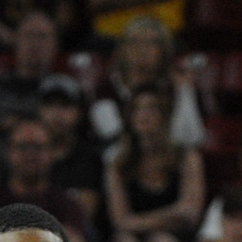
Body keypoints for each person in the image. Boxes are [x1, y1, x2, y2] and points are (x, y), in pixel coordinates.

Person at [101, 84, 204, 242]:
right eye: (137, 109)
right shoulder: (118, 163)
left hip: (176, 236)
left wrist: (137, 221)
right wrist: (171, 214)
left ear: (165, 115)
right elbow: (119, 221)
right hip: (131, 236)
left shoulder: (186, 158)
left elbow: (190, 213)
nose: (144, 115)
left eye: (151, 108)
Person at [0, 118, 88, 242]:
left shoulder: (67, 205)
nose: (30, 154)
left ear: (51, 153)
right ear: (8, 152)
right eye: (22, 147)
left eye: (38, 147)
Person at [86, 15, 204, 150]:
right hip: (122, 160)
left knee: (191, 156)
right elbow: (111, 134)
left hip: (166, 161)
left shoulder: (172, 88)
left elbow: (189, 139)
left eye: (152, 42)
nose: (142, 49)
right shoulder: (105, 89)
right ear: (122, 50)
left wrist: (184, 91)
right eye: (134, 42)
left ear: (164, 50)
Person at [0, 11, 59, 163]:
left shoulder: (59, 88)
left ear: (55, 45)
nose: (35, 43)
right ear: (16, 40)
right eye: (29, 35)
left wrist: (13, 121)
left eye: (43, 36)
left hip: (46, 166)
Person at [37, 75, 104, 227]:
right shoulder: (26, 153)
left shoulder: (89, 157)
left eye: (65, 106)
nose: (57, 114)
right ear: (40, 110)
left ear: (79, 112)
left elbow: (84, 211)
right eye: (50, 105)